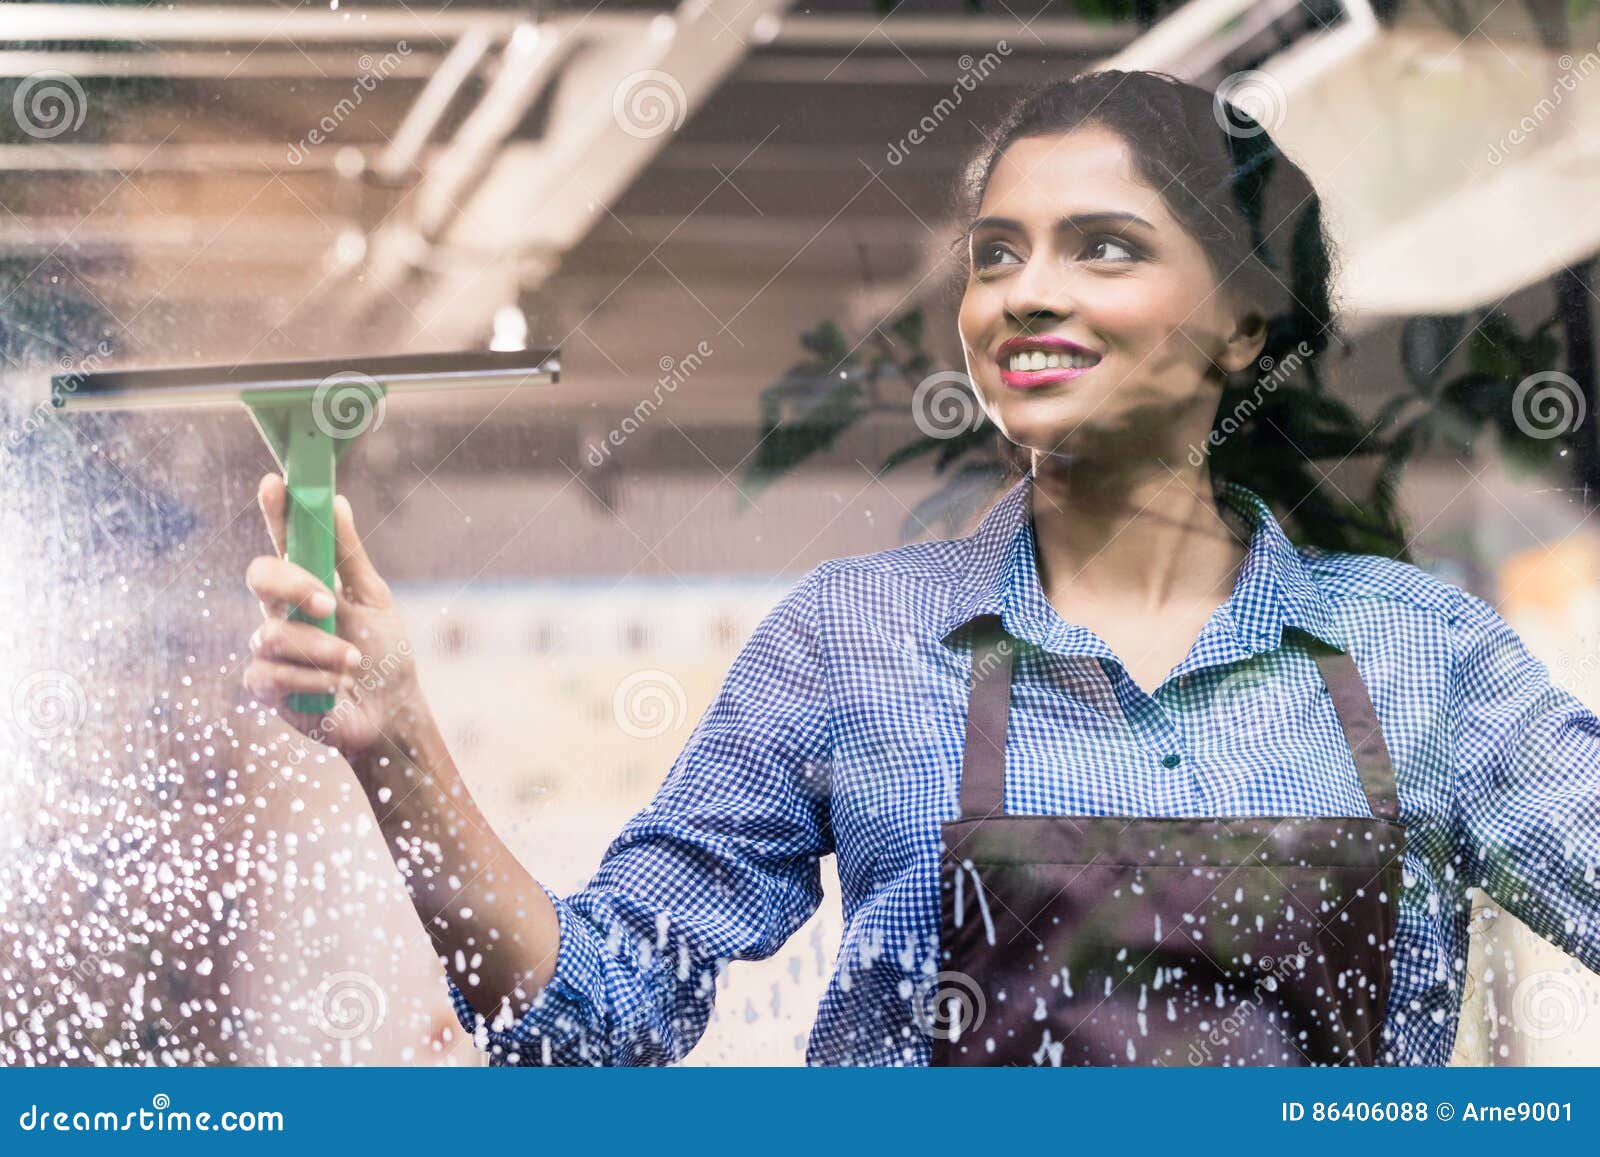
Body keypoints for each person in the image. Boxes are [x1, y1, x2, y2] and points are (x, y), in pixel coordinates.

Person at [242, 69, 1600, 1067]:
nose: (1024, 292)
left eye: (1103, 248)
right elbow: (594, 1022)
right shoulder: (855, 640)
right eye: (995, 254)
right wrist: (398, 738)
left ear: (1243, 324)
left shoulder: (1424, 658)